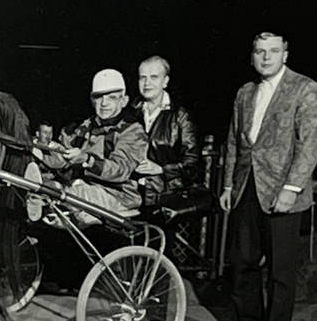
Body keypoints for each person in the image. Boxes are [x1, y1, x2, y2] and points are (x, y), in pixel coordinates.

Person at [218, 31, 317, 321]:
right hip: (246, 187)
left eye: (273, 51)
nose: (266, 57)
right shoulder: (245, 92)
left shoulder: (304, 88)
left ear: (285, 55)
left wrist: (291, 189)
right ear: (253, 56)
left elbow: (310, 143)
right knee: (242, 261)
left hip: (282, 191)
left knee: (280, 269)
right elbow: (235, 142)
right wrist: (228, 185)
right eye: (260, 51)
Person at [41, 68, 161, 225]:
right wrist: (40, 152)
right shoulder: (86, 125)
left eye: (112, 98)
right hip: (85, 186)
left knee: (65, 196)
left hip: (118, 195)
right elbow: (64, 154)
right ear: (92, 100)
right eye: (98, 98)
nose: (104, 103)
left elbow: (120, 170)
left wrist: (87, 160)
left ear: (123, 101)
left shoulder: (132, 131)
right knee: (45, 188)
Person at [127, 55, 202, 210]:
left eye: (154, 77)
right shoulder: (130, 113)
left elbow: (193, 162)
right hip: (130, 194)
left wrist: (161, 169)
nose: (147, 83)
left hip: (166, 198)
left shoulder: (180, 116)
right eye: (143, 78)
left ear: (165, 81)